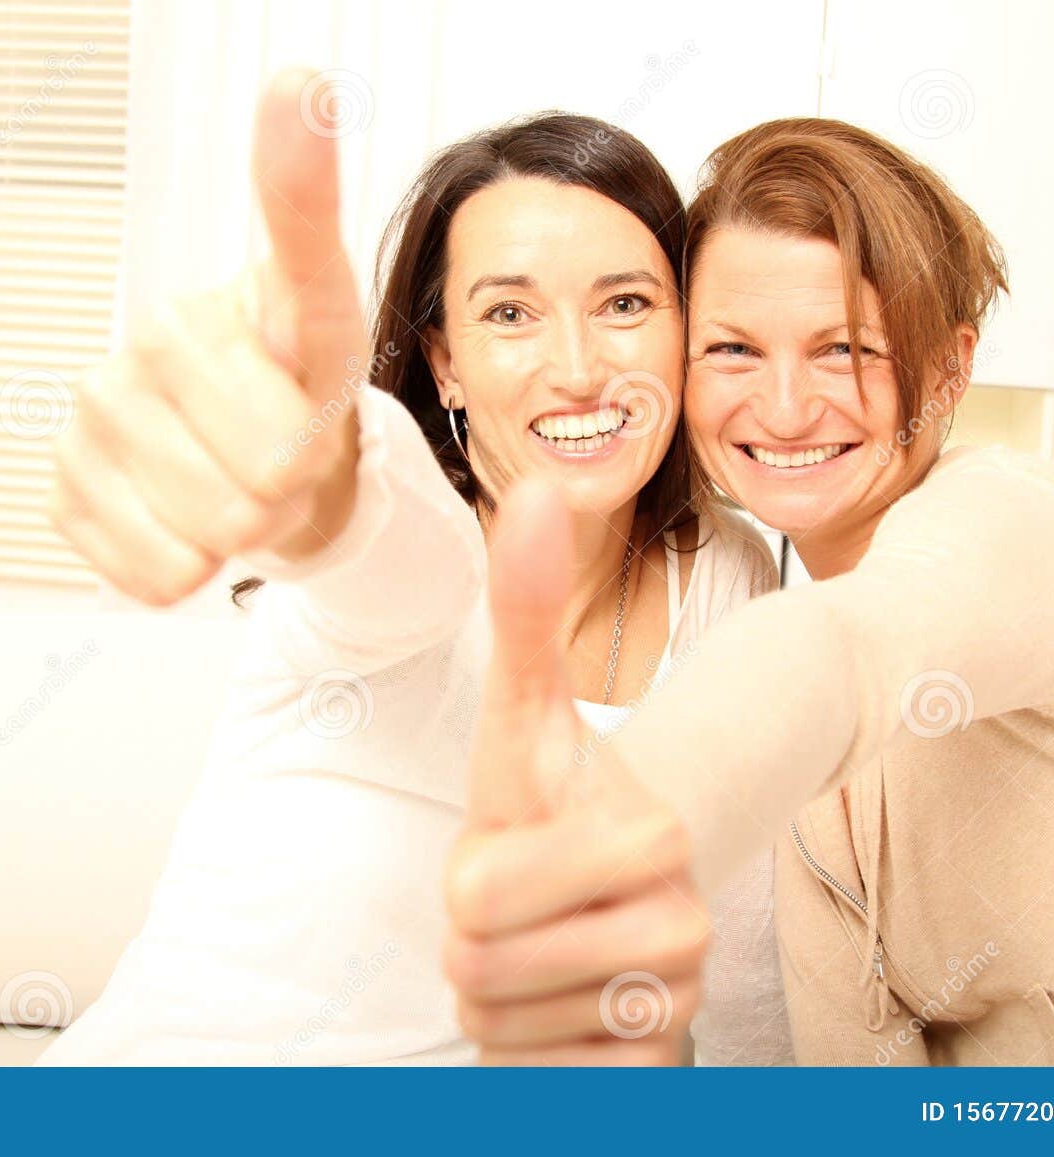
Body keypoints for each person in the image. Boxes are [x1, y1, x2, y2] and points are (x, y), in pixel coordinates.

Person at [448, 117, 1054, 1064]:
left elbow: (847, 651)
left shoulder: (1023, 523)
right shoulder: (806, 741)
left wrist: (616, 824)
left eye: (846, 349)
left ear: (950, 366)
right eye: (731, 350)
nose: (786, 407)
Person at [40, 71, 783, 1066]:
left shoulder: (727, 577)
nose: (575, 367)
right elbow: (375, 540)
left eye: (625, 302)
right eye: (509, 314)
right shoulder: (394, 560)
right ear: (444, 364)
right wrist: (321, 474)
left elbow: (731, 979)